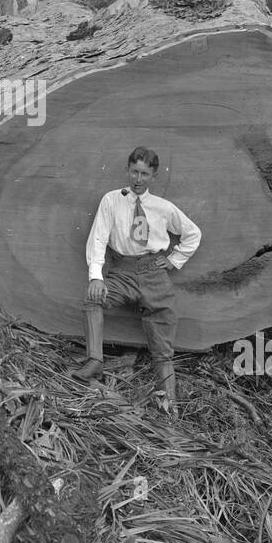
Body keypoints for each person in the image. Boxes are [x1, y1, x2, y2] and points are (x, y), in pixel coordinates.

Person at [72, 146, 201, 413]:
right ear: (127, 170)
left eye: (144, 173)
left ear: (153, 175)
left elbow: (192, 234)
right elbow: (98, 238)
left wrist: (175, 260)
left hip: (154, 274)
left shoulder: (163, 208)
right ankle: (94, 360)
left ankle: (169, 404)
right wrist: (96, 276)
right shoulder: (112, 201)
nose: (138, 179)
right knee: (93, 299)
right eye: (134, 172)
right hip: (123, 271)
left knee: (163, 338)